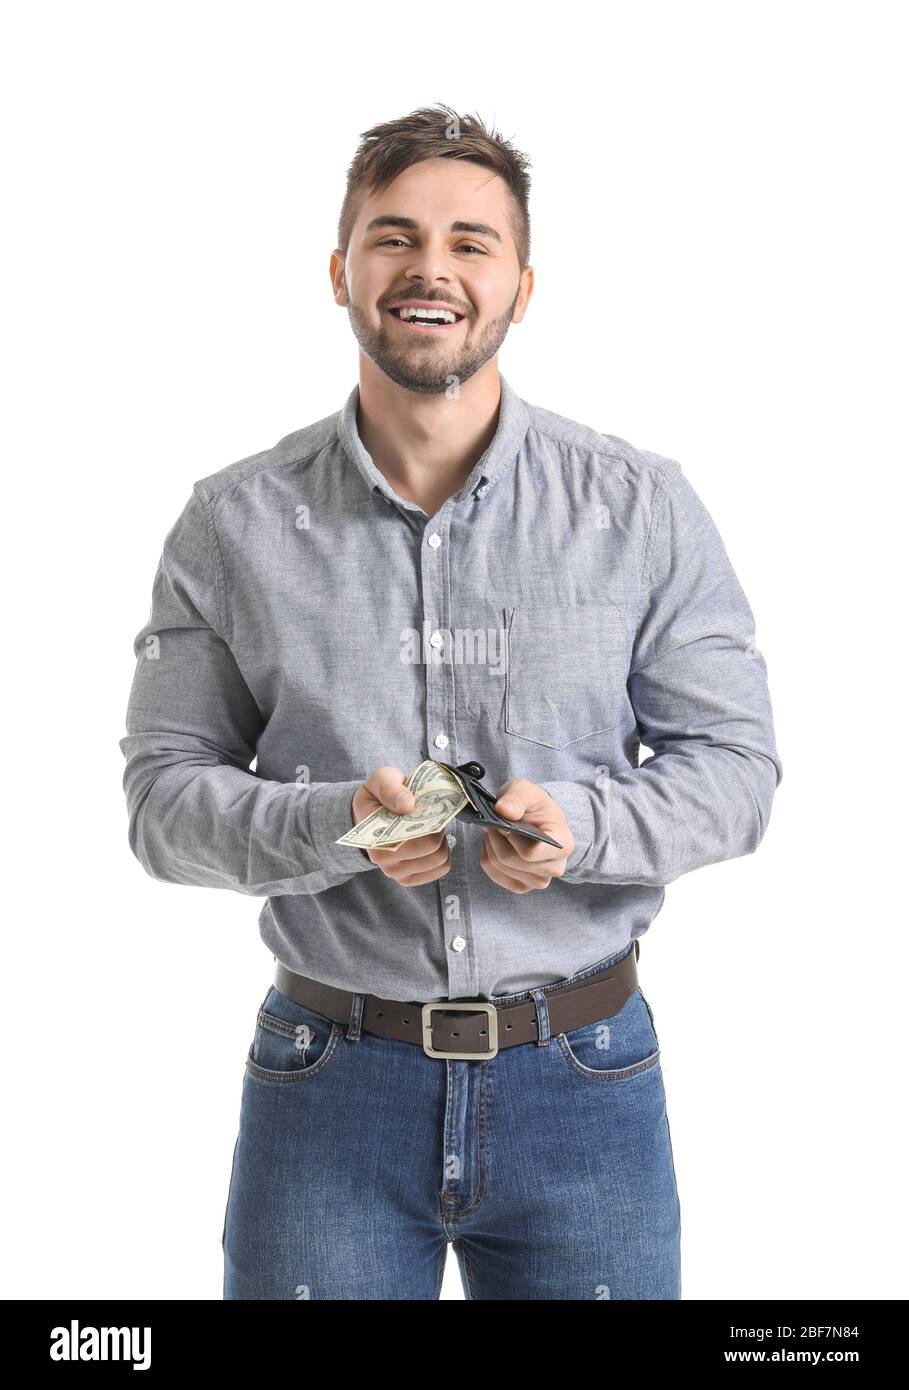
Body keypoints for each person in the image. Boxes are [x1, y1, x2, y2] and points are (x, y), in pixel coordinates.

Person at [119, 103, 783, 1300]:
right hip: (329, 1085)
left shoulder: (641, 509)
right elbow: (163, 801)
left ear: (522, 285)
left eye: (472, 243)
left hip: (584, 1080)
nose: (432, 269)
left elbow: (736, 770)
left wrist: (587, 826)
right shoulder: (231, 525)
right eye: (395, 237)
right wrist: (336, 827)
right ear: (341, 272)